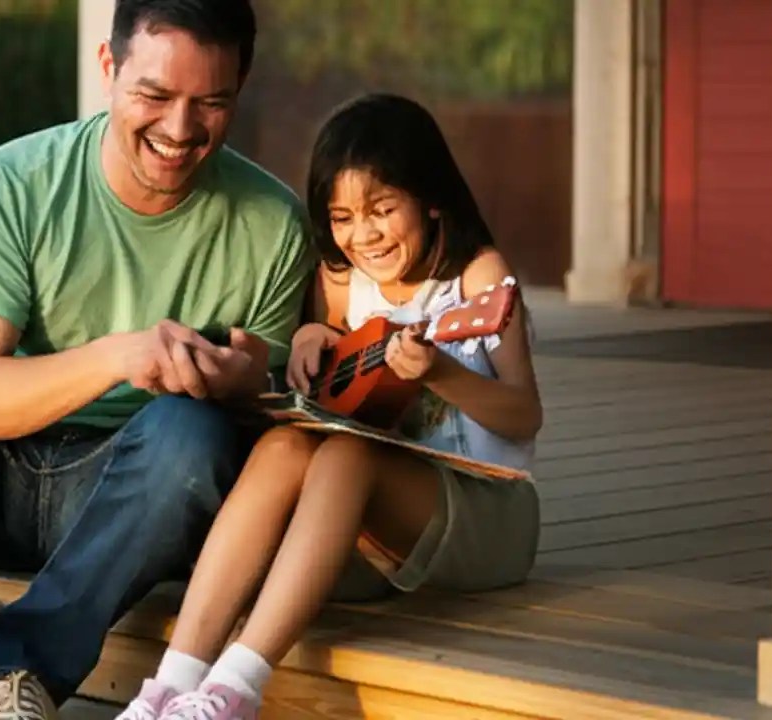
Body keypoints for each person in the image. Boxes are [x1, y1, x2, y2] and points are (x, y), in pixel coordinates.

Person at [0, 1, 316, 719]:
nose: (180, 128)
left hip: (129, 502)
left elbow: (270, 417)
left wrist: (236, 384)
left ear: (241, 90)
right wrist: (118, 357)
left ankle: (19, 669)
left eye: (211, 103)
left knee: (195, 433)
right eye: (154, 96)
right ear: (109, 67)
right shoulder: (13, 182)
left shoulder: (274, 226)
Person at [112, 92, 544, 720]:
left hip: (489, 514)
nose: (362, 235)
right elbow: (333, 374)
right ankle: (167, 690)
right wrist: (313, 337)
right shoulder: (342, 276)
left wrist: (442, 371)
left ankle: (233, 692)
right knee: (284, 444)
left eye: (382, 210)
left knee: (347, 454)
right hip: (369, 531)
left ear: (429, 196)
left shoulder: (478, 278)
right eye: (341, 217)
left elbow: (524, 415)